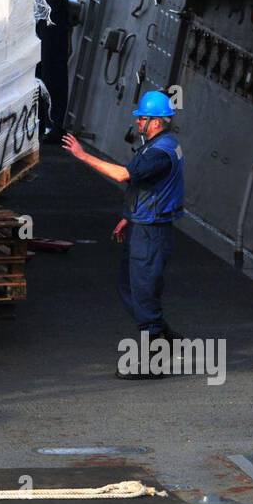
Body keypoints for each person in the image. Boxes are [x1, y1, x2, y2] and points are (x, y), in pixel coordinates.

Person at [62, 90, 184, 379]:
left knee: (143, 291)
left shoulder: (158, 153)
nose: (138, 123)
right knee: (129, 287)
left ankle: (153, 360)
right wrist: (129, 216)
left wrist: (82, 155)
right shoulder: (164, 144)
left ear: (155, 122)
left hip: (151, 233)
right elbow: (149, 188)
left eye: (142, 118)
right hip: (145, 225)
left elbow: (122, 176)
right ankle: (165, 337)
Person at [36, 0, 75, 144]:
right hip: (33, 9)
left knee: (53, 68)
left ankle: (55, 124)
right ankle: (39, 122)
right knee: (36, 68)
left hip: (52, 11)